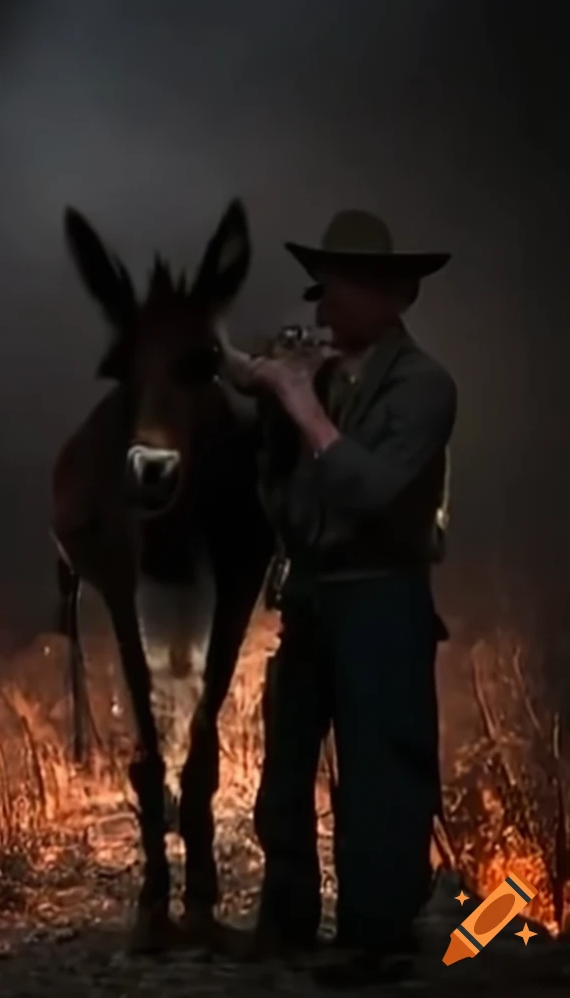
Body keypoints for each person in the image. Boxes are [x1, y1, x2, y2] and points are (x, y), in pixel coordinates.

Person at [217, 209, 457, 987]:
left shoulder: (424, 387)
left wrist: (301, 404)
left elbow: (370, 492)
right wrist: (275, 414)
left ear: (393, 297)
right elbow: (288, 506)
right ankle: (286, 921)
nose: (321, 312)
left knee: (382, 774)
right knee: (286, 766)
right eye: (320, 295)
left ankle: (375, 939)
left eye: (341, 293)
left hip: (383, 600)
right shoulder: (325, 382)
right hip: (316, 597)